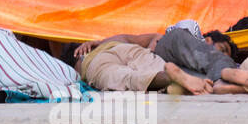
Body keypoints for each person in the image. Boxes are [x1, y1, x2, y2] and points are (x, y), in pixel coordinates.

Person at [73, 36, 211, 94]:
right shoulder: (116, 38)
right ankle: (180, 82)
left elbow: (72, 79)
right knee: (154, 67)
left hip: (98, 60)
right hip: (128, 48)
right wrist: (150, 52)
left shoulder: (82, 59)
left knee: (128, 78)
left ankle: (171, 78)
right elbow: (156, 36)